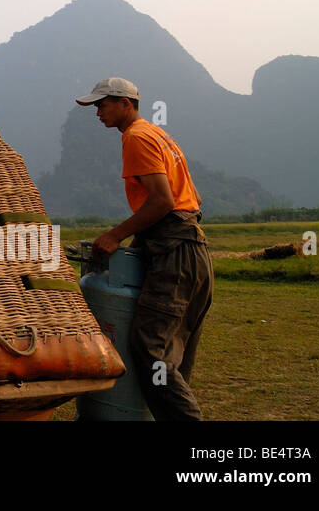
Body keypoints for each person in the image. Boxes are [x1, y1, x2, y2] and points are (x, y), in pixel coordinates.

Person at [76, 77, 213, 421]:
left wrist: (115, 236)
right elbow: (189, 201)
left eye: (103, 104)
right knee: (173, 354)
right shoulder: (156, 134)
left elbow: (163, 201)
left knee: (151, 350)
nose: (97, 112)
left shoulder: (136, 137)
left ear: (126, 103)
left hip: (175, 256)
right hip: (189, 249)